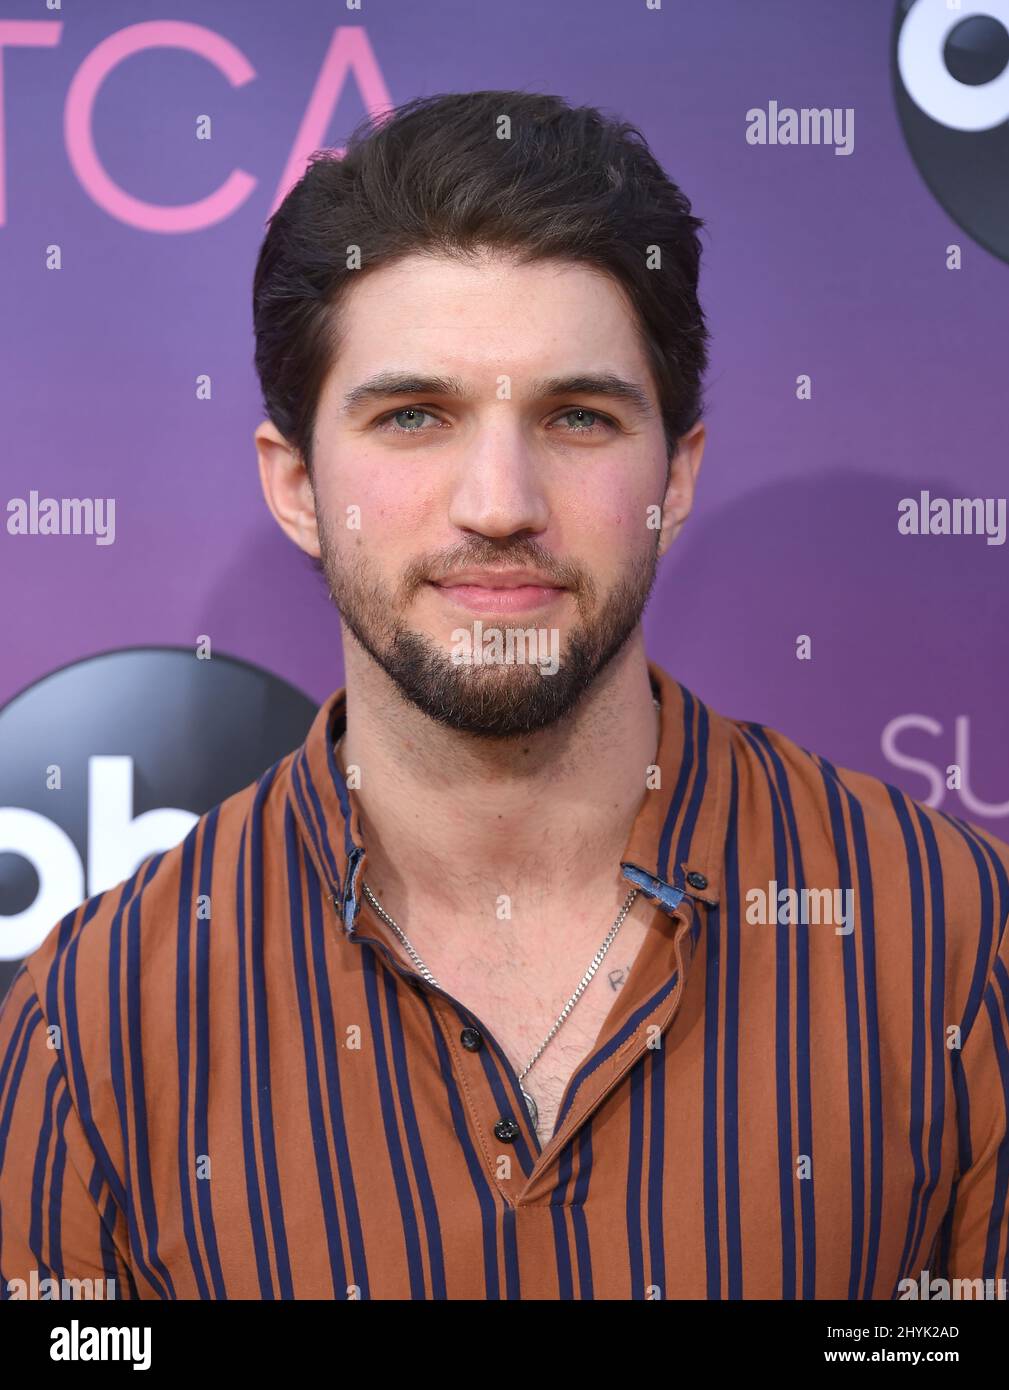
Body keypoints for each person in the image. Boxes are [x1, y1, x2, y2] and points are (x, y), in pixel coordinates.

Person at [1, 89, 1006, 1302]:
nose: (499, 500)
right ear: (297, 486)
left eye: (576, 417)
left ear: (674, 477)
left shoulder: (953, 940)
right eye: (414, 416)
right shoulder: (95, 1014)